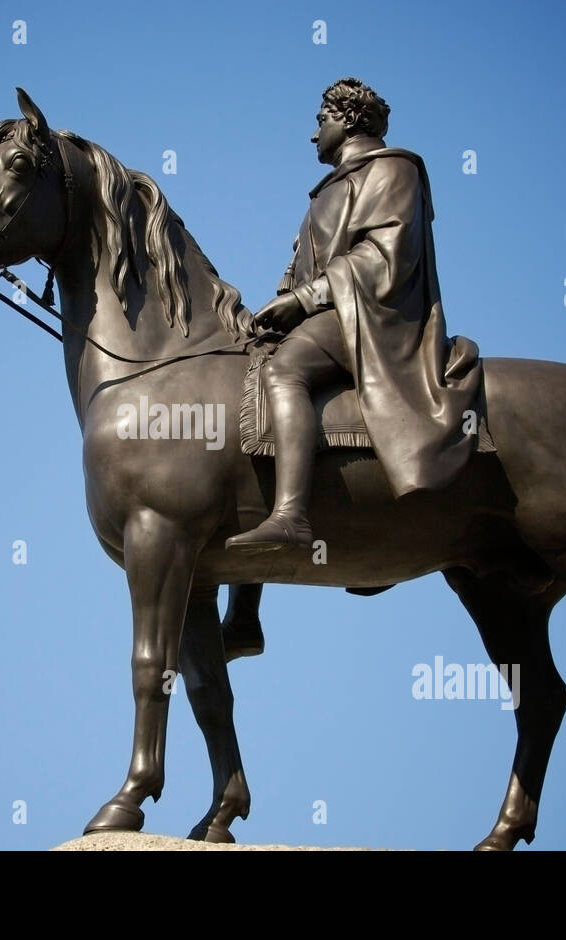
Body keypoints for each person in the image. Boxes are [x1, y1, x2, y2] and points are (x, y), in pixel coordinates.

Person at [221, 78, 485, 660]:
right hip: (336, 313)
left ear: (348, 118)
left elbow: (382, 258)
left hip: (379, 319)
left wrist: (304, 299)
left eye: (321, 117)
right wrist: (274, 309)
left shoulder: (395, 172)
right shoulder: (324, 192)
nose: (312, 129)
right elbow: (299, 276)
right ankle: (244, 615)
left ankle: (292, 517)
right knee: (246, 381)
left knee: (285, 370)